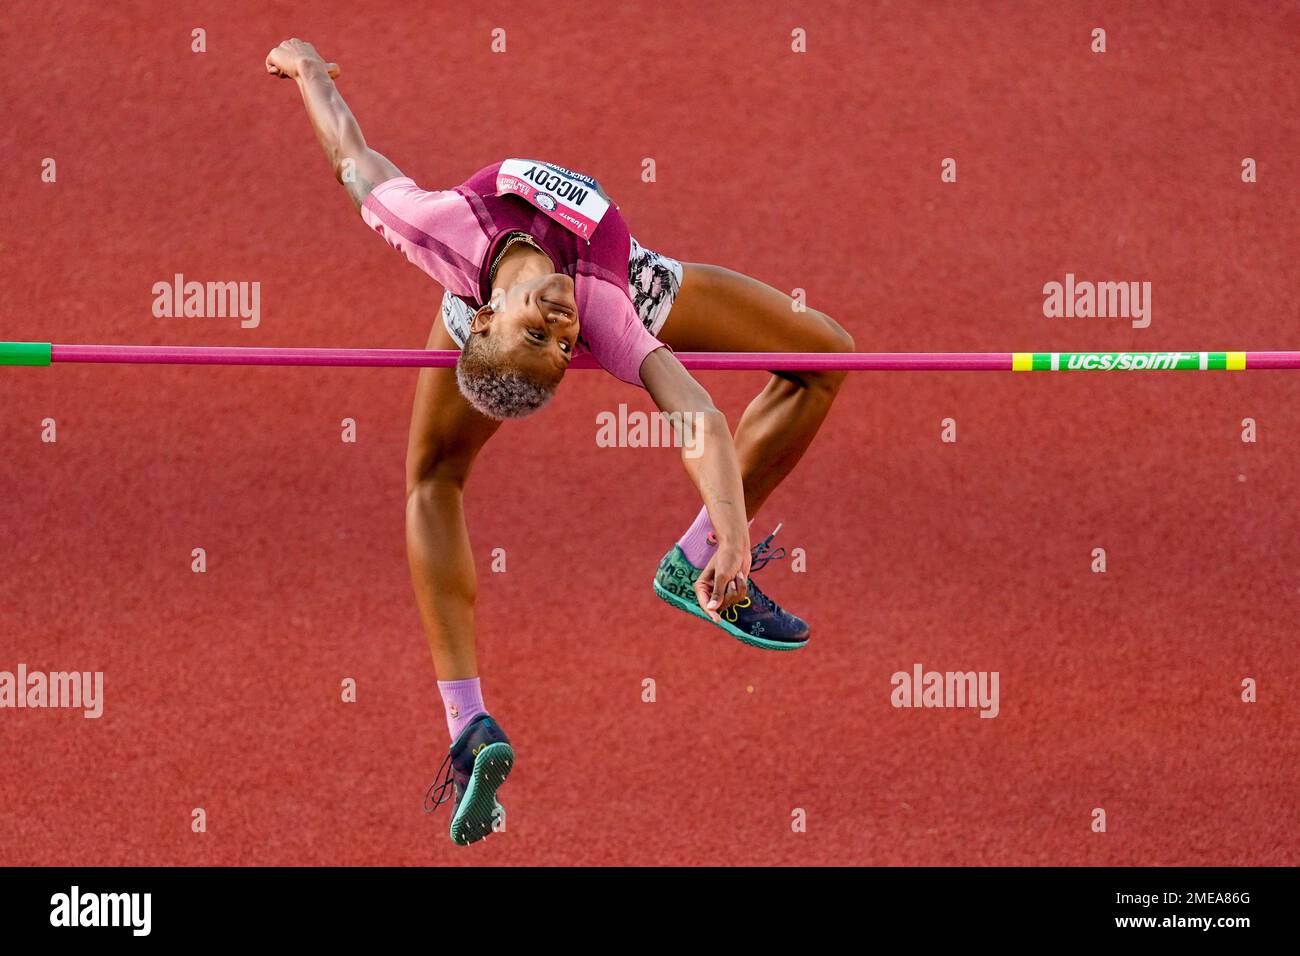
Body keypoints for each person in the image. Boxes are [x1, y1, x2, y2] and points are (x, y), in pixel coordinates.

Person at [266, 38, 854, 845]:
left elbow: (352, 159)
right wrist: (737, 533)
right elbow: (696, 416)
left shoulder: (435, 228)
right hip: (631, 282)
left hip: (554, 294)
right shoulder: (598, 316)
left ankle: (693, 566)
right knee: (433, 480)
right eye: (556, 343)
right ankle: (468, 726)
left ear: (490, 318)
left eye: (540, 331)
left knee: (821, 358)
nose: (557, 325)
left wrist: (305, 71)